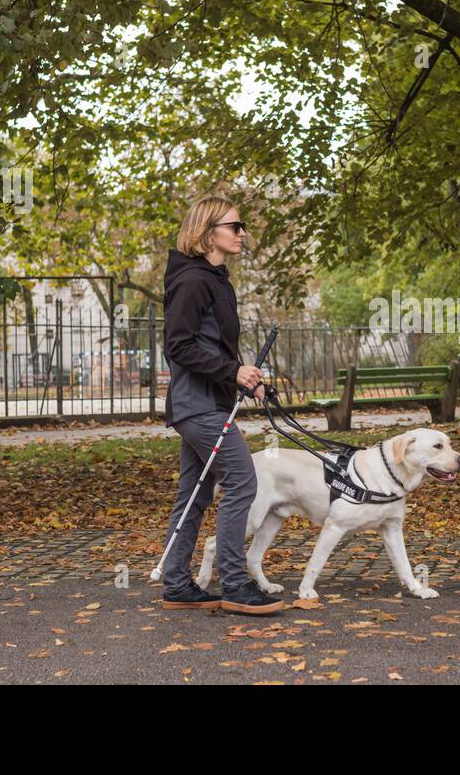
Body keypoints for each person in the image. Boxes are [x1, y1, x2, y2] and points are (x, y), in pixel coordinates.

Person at [159, 195, 283, 615]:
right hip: (198, 406)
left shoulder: (215, 279)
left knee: (194, 496)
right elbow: (178, 346)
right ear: (207, 232)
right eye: (235, 226)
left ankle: (176, 584)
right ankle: (234, 583)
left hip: (208, 400)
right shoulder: (193, 281)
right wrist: (232, 373)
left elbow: (211, 344)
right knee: (243, 482)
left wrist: (246, 378)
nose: (242, 233)